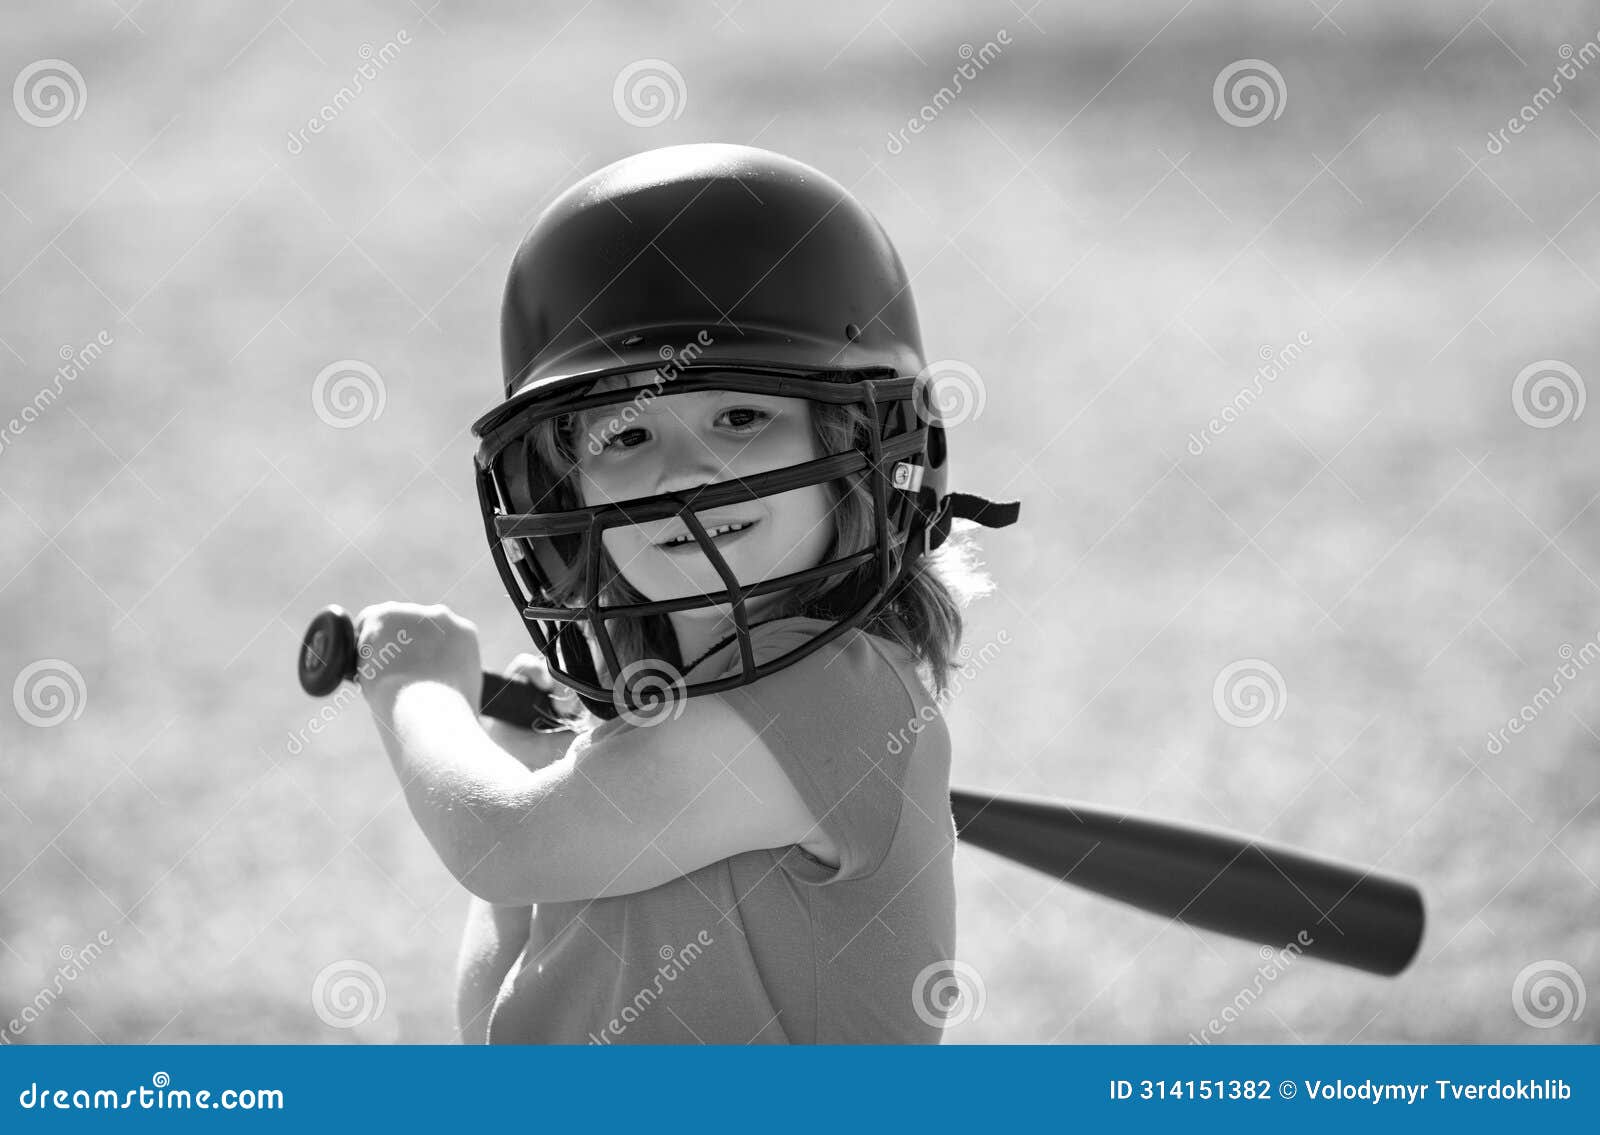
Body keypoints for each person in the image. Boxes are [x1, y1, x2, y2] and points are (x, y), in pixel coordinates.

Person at [357, 143, 1019, 1044]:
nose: (684, 472)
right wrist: (518, 760)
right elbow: (502, 1030)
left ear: (858, 447)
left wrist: (418, 690)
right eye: (626, 435)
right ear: (565, 493)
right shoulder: (645, 736)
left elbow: (503, 845)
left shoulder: (835, 703)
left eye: (741, 418)